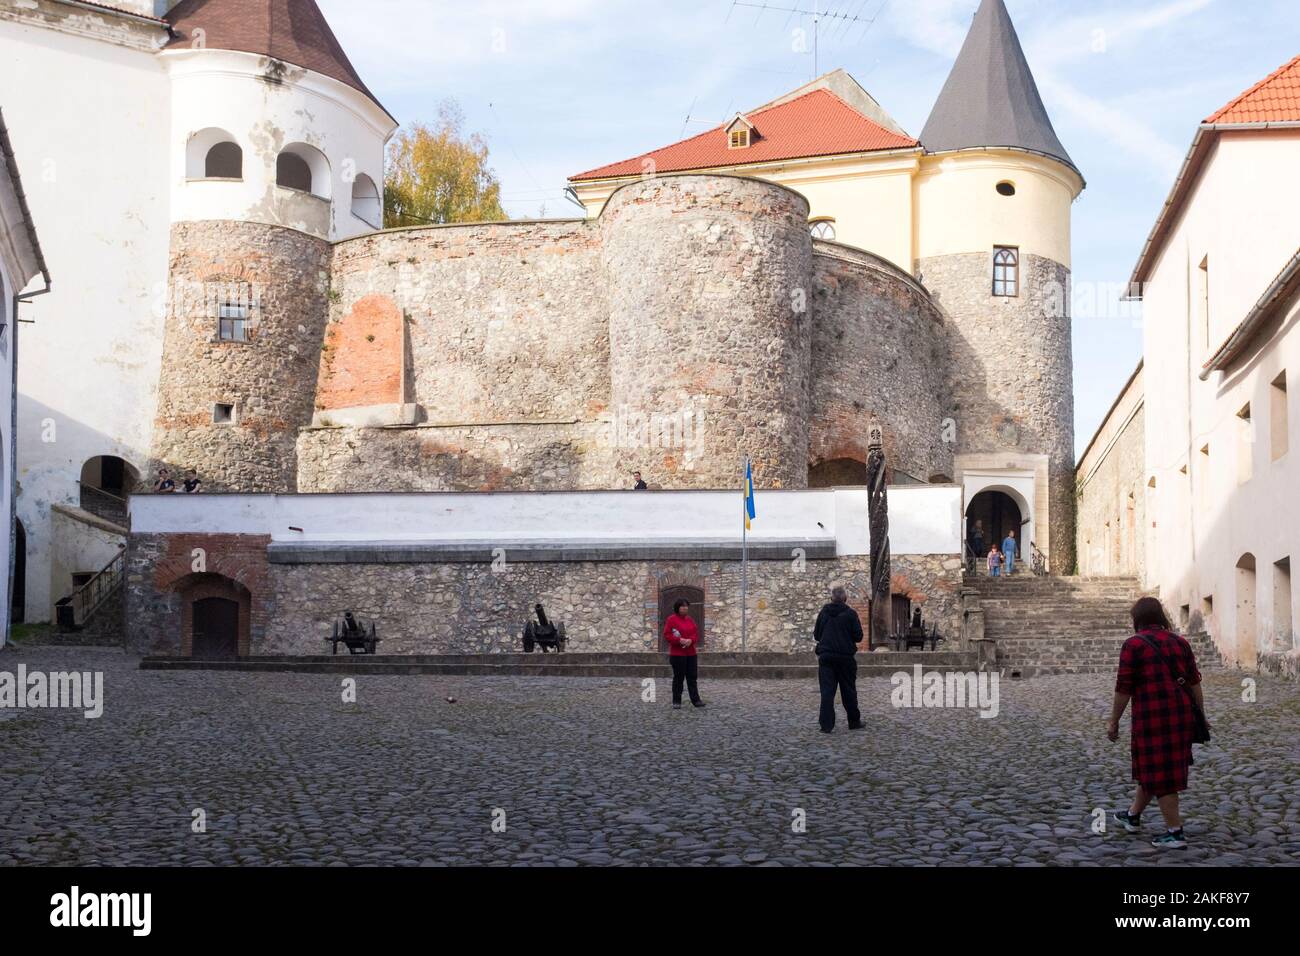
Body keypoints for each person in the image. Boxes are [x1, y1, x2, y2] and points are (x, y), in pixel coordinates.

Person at [1109, 596, 1207, 849]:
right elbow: (1195, 682)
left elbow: (1123, 689)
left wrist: (1113, 722)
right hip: (1181, 716)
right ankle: (1132, 816)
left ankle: (1175, 832)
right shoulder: (1180, 642)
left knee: (1161, 774)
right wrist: (1202, 716)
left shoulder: (1133, 645)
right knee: (1153, 769)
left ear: (1137, 619)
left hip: (1152, 718)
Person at [812, 586, 865, 733]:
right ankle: (854, 721)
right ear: (845, 598)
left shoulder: (823, 613)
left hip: (827, 658)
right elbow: (858, 636)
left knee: (827, 692)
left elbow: (817, 635)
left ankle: (826, 725)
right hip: (845, 658)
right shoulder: (851, 614)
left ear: (831, 598)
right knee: (849, 690)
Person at [662, 599, 705, 709]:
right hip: (677, 655)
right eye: (682, 606)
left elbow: (695, 634)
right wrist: (679, 640)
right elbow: (667, 635)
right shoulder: (671, 620)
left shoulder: (690, 620)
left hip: (691, 654)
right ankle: (676, 701)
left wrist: (691, 640)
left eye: (686, 606)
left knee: (692, 678)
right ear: (677, 608)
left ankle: (696, 700)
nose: (685, 608)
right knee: (678, 678)